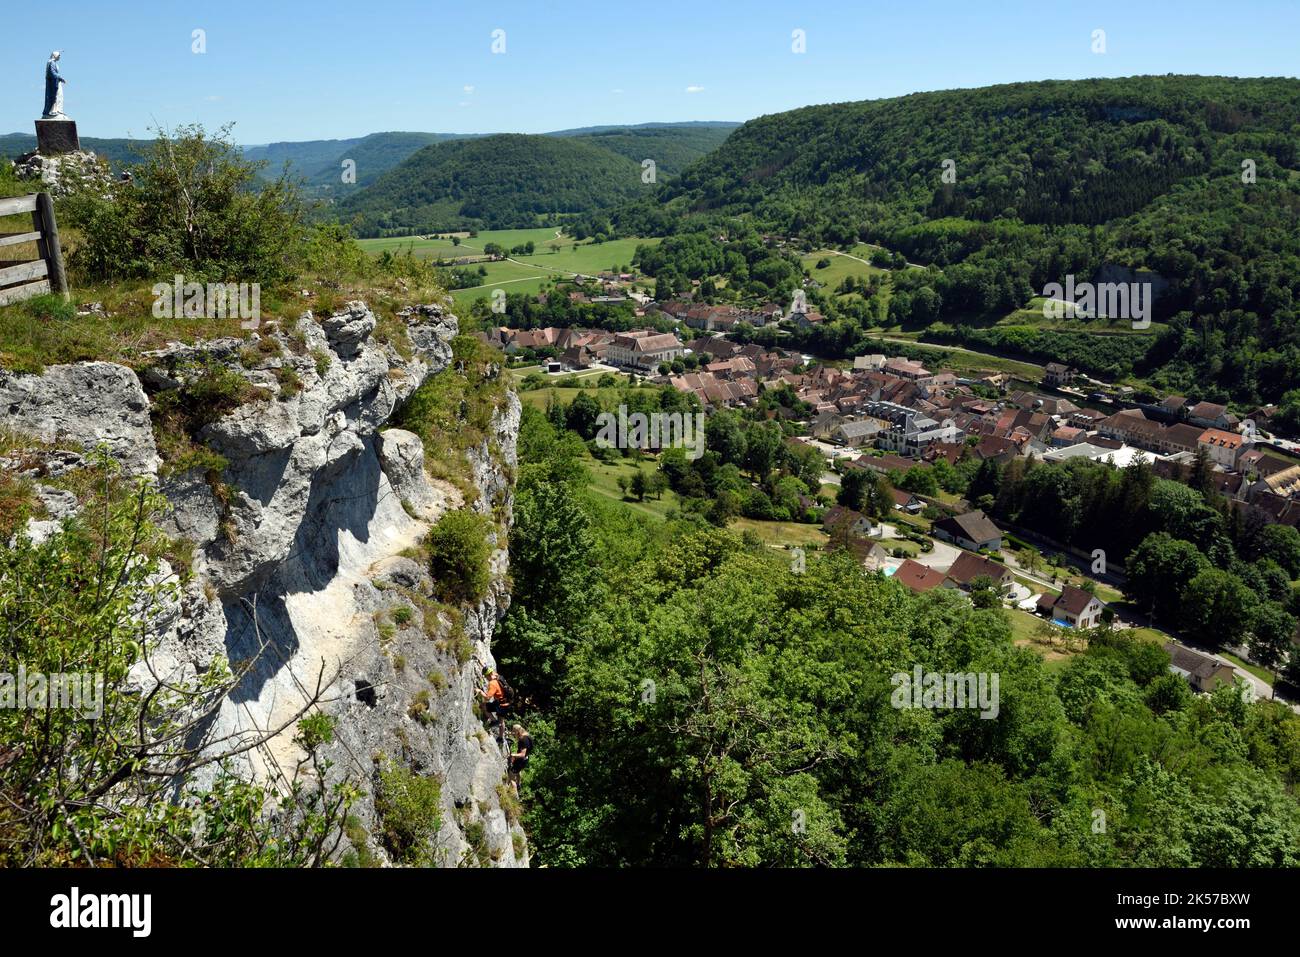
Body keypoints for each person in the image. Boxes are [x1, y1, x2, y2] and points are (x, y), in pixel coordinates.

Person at [508, 724, 533, 794]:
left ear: (517, 732)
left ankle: (515, 795)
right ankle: (519, 785)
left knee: (511, 776)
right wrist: (509, 733)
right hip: (525, 759)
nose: (513, 734)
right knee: (518, 771)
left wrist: (513, 755)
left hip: (521, 760)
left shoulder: (523, 740)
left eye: (514, 732)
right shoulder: (527, 735)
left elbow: (522, 754)